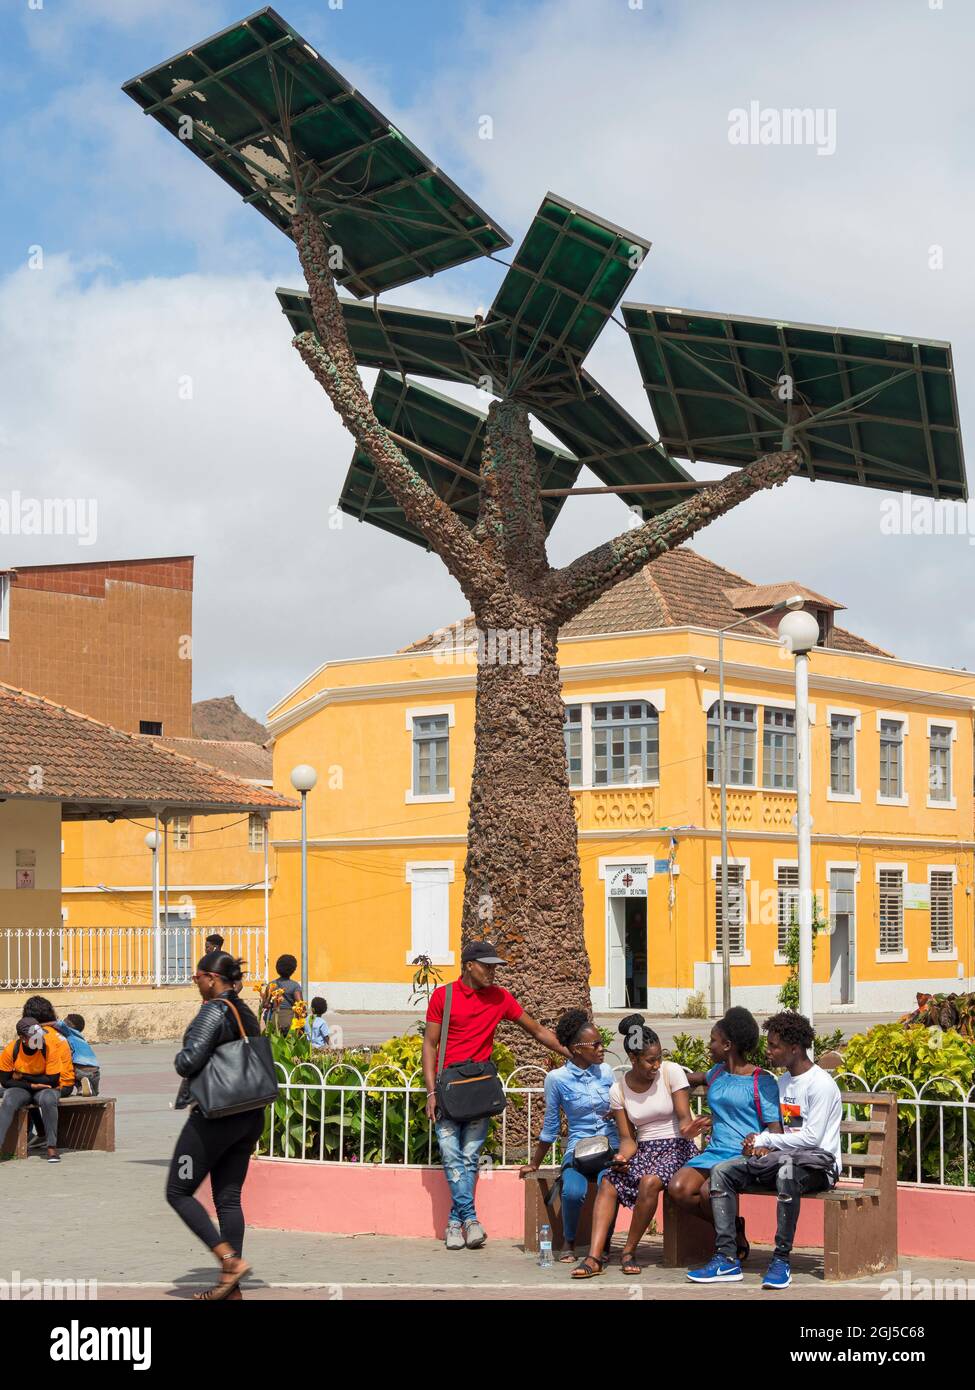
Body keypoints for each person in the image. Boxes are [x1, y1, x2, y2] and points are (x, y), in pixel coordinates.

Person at [422, 940, 571, 1251]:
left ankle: (455, 1223)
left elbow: (536, 1030)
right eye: (486, 966)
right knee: (452, 1157)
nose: (492, 972)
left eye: (494, 966)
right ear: (468, 966)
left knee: (469, 1158)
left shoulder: (500, 998)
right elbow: (430, 1045)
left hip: (479, 1089)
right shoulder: (443, 996)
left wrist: (569, 1051)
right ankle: (470, 1220)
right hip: (449, 1092)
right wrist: (431, 1091)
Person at [688, 1012, 843, 1289]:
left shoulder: (820, 1084)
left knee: (786, 1174)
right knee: (722, 1172)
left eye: (774, 1046)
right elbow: (777, 1131)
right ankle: (726, 1256)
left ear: (794, 1049)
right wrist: (758, 1144)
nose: (768, 1051)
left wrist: (764, 1141)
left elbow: (811, 1138)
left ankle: (781, 1259)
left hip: (818, 1166)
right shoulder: (782, 1082)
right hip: (781, 1160)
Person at [572, 1014, 709, 1279]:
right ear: (633, 1060)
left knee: (648, 1181)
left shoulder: (671, 1072)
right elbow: (627, 1138)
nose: (656, 1065)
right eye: (650, 1060)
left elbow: (683, 1120)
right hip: (645, 1149)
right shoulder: (619, 1090)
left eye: (658, 1057)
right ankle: (594, 1256)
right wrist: (623, 1156)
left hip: (678, 1147)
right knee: (610, 1181)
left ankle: (628, 1251)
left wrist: (691, 1129)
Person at [165, 951, 267, 1301]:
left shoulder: (214, 1009)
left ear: (211, 978)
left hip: (216, 1115)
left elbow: (190, 1060)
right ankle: (232, 1289)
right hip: (250, 1112)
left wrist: (179, 1056)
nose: (196, 983)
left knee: (177, 1191)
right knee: (227, 1198)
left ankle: (228, 1261)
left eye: (197, 977)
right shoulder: (245, 1010)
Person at [667, 1006, 781, 1263]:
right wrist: (659, 1075)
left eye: (713, 1041)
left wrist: (762, 1144)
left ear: (728, 1044)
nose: (709, 1046)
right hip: (714, 1151)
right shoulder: (716, 1073)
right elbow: (687, 1079)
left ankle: (727, 1247)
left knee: (709, 1192)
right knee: (678, 1190)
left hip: (742, 1155)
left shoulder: (760, 1081)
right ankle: (734, 1227)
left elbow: (775, 1129)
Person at [520, 1010, 619, 1262]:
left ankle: (605, 1244)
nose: (601, 1048)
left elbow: (621, 1108)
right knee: (573, 1192)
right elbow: (550, 1126)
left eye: (601, 1043)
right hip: (579, 1148)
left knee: (611, 1183)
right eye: (595, 1044)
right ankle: (569, 1241)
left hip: (610, 1146)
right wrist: (536, 1162)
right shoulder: (557, 1079)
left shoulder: (606, 1072)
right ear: (576, 1049)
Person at [0, 1018, 74, 1162]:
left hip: (45, 1089)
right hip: (22, 1089)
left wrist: (22, 1076)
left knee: (48, 1099)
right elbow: (5, 1081)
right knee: (9, 1099)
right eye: (33, 1036)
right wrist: (31, 1085)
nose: (38, 1039)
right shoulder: (11, 1050)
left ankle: (51, 1147)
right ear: (22, 1038)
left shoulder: (49, 1048)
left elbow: (52, 1080)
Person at [55, 1014, 100, 1095]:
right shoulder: (81, 1038)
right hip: (95, 1070)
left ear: (70, 1025)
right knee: (94, 1093)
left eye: (65, 1021)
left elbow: (58, 1024)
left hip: (81, 1068)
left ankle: (81, 1087)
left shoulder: (70, 1033)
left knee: (69, 1071)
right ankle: (86, 1089)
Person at [262, 954, 302, 1032]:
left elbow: (265, 1004)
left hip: (274, 1021)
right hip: (290, 1021)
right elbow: (301, 1006)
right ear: (293, 969)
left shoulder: (271, 984)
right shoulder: (295, 985)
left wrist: (273, 1004)